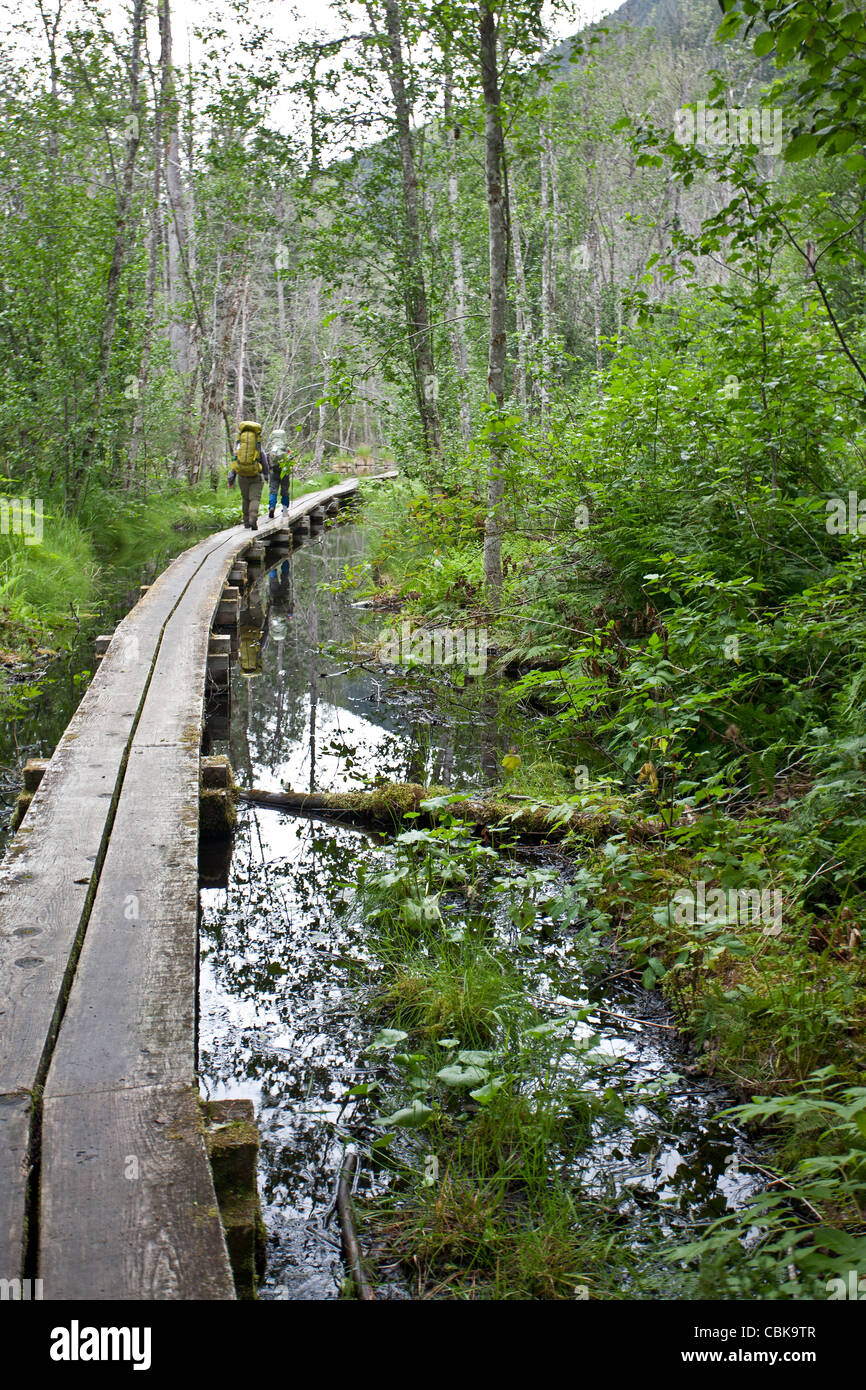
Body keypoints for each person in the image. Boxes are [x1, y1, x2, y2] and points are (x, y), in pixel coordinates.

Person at [227, 420, 269, 529]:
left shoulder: (239, 446)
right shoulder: (257, 446)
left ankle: (246, 522)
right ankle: (253, 518)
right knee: (255, 498)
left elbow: (236, 462)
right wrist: (266, 476)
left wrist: (231, 479)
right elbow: (264, 461)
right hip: (256, 475)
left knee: (245, 499)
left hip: (242, 476)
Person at [267, 428, 292, 518]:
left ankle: (272, 507)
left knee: (273, 490)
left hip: (274, 472)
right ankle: (285, 510)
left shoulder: (273, 448)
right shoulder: (286, 448)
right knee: (285, 490)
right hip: (284, 472)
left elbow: (269, 460)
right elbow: (291, 459)